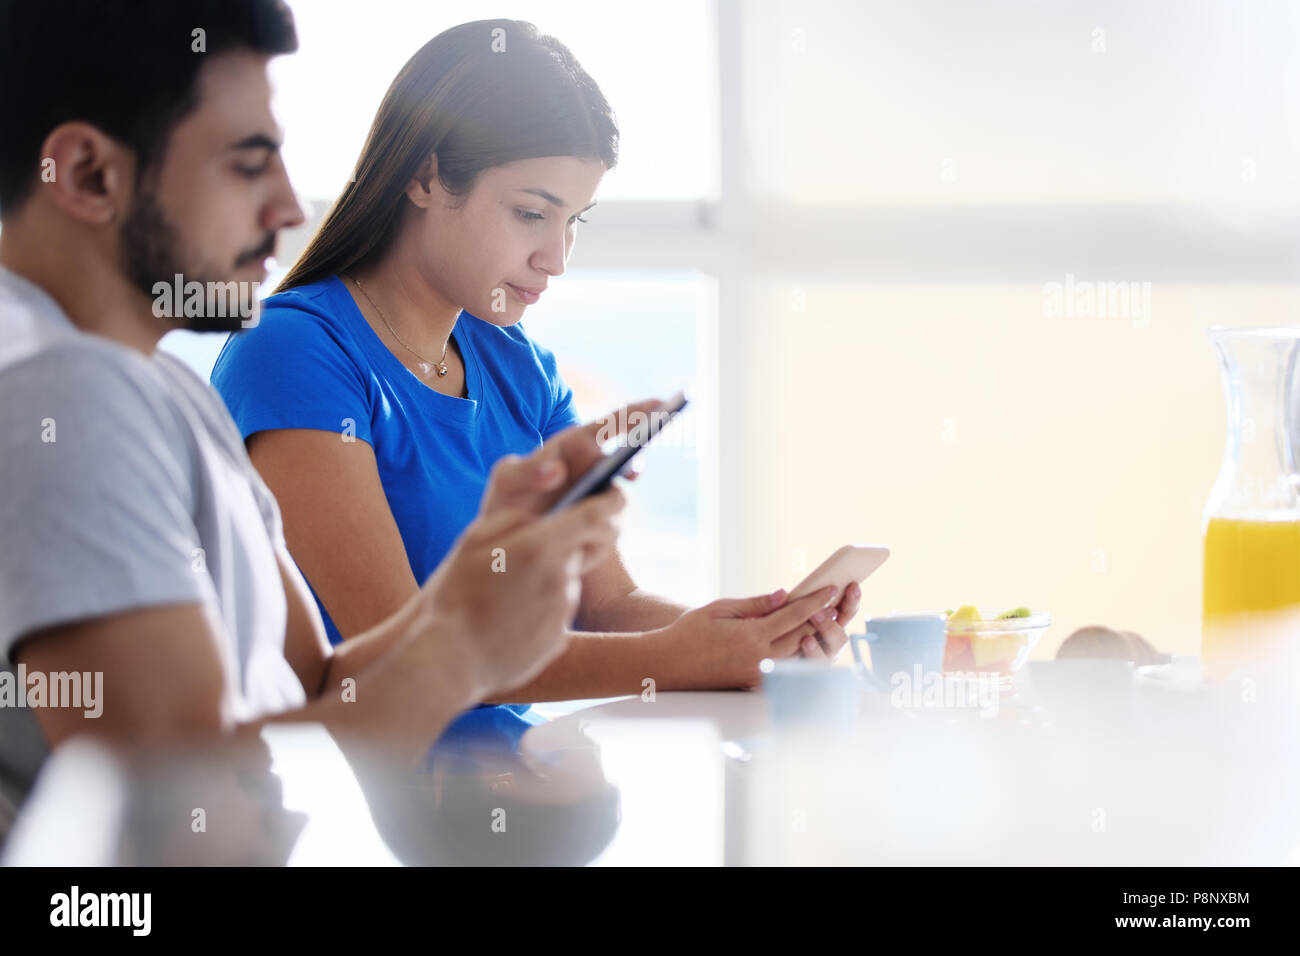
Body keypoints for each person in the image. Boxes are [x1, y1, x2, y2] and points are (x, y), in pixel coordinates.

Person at [0, 0, 708, 844]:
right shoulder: (60, 392)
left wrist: (479, 592)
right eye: (245, 164)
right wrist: (468, 643)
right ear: (87, 174)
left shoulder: (162, 394)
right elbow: (185, 812)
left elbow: (317, 680)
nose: (287, 205)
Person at [210, 19, 858, 709]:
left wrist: (757, 639)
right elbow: (395, 649)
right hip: (365, 796)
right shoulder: (292, 353)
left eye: (575, 220)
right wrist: (678, 657)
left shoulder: (517, 365)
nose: (557, 257)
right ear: (426, 176)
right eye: (530, 213)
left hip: (511, 783)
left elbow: (605, 605)